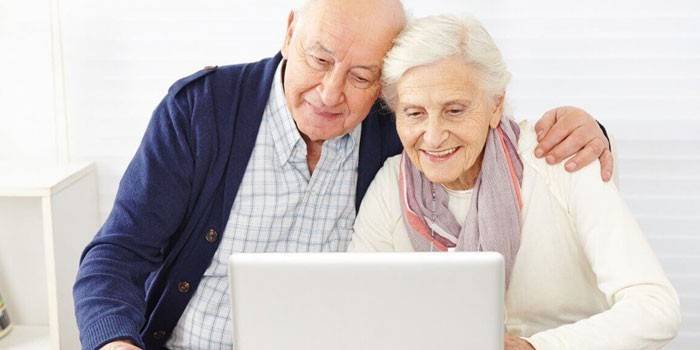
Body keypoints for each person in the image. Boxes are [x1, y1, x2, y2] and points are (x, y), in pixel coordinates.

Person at [74, 1, 614, 349]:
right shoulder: (202, 111)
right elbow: (116, 254)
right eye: (319, 59)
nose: (331, 94)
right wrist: (117, 344)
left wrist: (588, 129)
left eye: (362, 76)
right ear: (289, 32)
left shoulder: (395, 127)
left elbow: (473, 123)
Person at [348, 14, 680, 350]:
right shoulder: (392, 185)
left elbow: (654, 306)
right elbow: (357, 314)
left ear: (496, 105)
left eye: (455, 110)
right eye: (414, 113)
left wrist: (534, 348)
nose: (433, 137)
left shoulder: (560, 158)